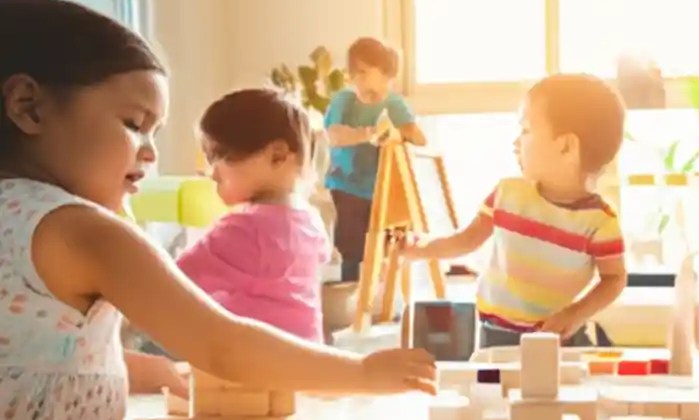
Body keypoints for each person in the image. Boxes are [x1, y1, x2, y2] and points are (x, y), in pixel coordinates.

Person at [0, 0, 435, 420]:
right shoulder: (84, 231)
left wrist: (149, 370)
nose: (149, 154)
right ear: (28, 107)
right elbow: (222, 345)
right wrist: (360, 372)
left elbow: (33, 352)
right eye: (134, 125)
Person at [400, 74, 628, 348]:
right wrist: (421, 247)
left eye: (526, 130)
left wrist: (576, 313)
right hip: (493, 332)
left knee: (552, 391)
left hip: (556, 340)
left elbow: (614, 279)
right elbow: (466, 240)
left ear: (566, 146)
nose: (516, 143)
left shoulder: (600, 223)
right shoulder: (507, 194)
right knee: (493, 387)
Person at [175, 88, 330, 343]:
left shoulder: (242, 229)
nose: (213, 173)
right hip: (306, 358)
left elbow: (171, 281)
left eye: (219, 157)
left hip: (251, 367)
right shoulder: (310, 220)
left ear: (277, 155)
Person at [325, 37, 425, 283]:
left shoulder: (394, 104)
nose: (356, 78)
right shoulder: (345, 101)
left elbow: (419, 137)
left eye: (364, 72)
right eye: (354, 73)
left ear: (385, 74)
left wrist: (396, 133)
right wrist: (368, 134)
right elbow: (334, 135)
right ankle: (351, 291)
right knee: (352, 244)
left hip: (384, 189)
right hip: (348, 185)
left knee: (390, 245)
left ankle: (387, 296)